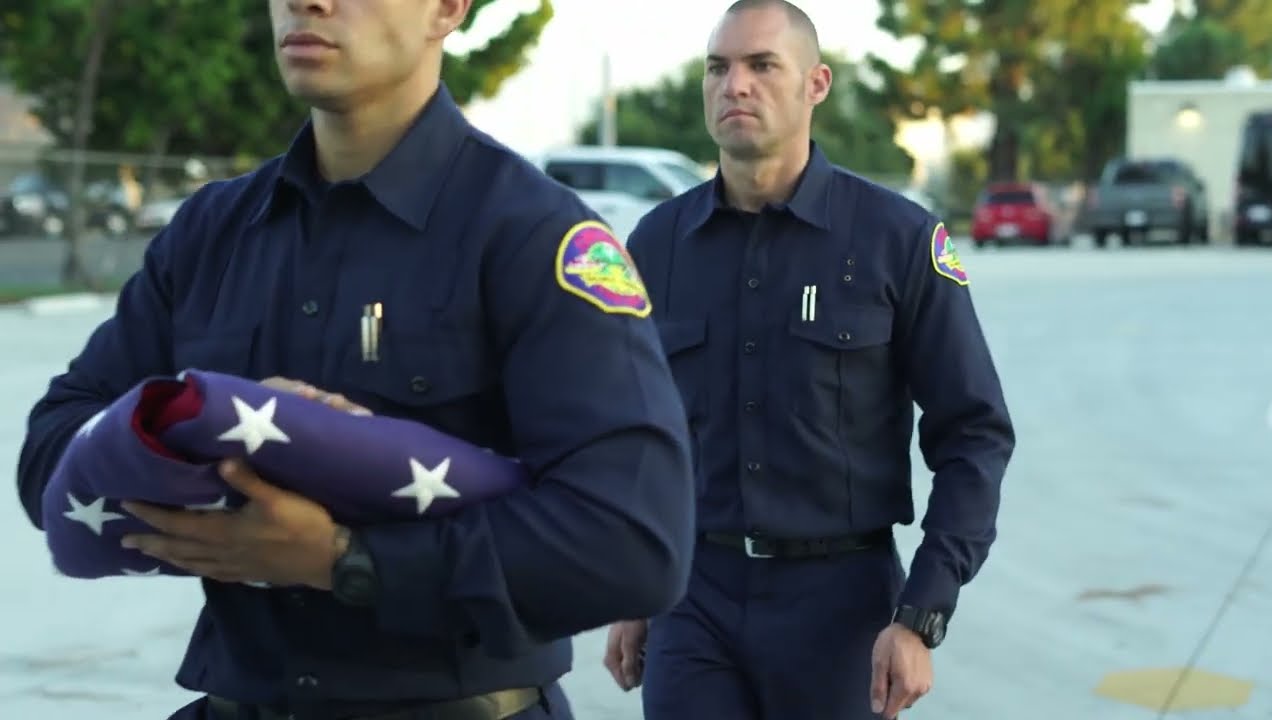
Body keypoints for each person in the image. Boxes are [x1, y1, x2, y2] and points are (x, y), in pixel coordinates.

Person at [16, 1, 697, 718]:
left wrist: (343, 558)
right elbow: (51, 456)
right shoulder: (213, 232)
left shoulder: (536, 237)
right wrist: (206, 430)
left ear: (448, 9)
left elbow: (633, 539)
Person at [602, 1, 1016, 718]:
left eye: (762, 66)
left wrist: (921, 612)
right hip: (694, 598)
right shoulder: (656, 245)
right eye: (718, 68)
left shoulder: (897, 239)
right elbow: (638, 434)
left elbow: (974, 432)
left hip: (840, 607)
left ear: (816, 84)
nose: (736, 85)